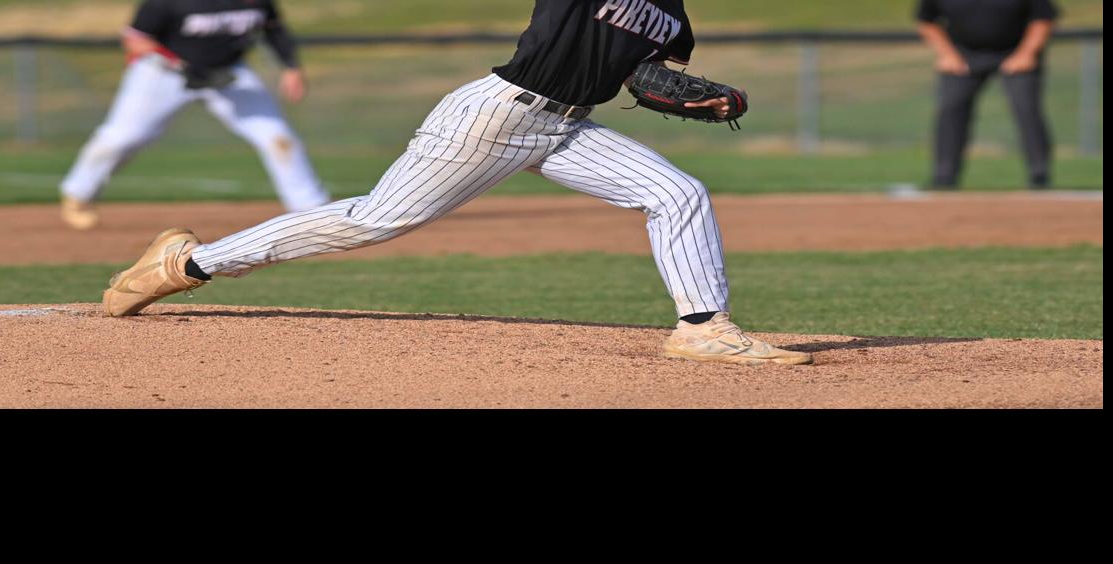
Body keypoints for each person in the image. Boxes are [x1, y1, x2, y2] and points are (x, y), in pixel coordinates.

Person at [102, 0, 812, 367]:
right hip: (497, 115)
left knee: (678, 193)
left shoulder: (672, 11)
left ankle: (703, 329)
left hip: (567, 125)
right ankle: (188, 263)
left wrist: (683, 92)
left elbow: (644, 71)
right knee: (374, 219)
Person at [58, 0, 329, 231]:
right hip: (164, 73)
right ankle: (78, 195)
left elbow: (274, 29)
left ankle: (311, 210)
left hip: (228, 73)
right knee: (122, 137)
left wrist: (292, 67)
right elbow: (135, 39)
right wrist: (181, 65)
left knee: (277, 138)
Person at [916, 0, 1058, 190]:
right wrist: (946, 54)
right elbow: (926, 20)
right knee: (950, 109)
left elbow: (1043, 18)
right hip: (963, 54)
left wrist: (1026, 53)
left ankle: (1040, 175)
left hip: (1016, 51)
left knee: (1026, 108)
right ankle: (944, 176)